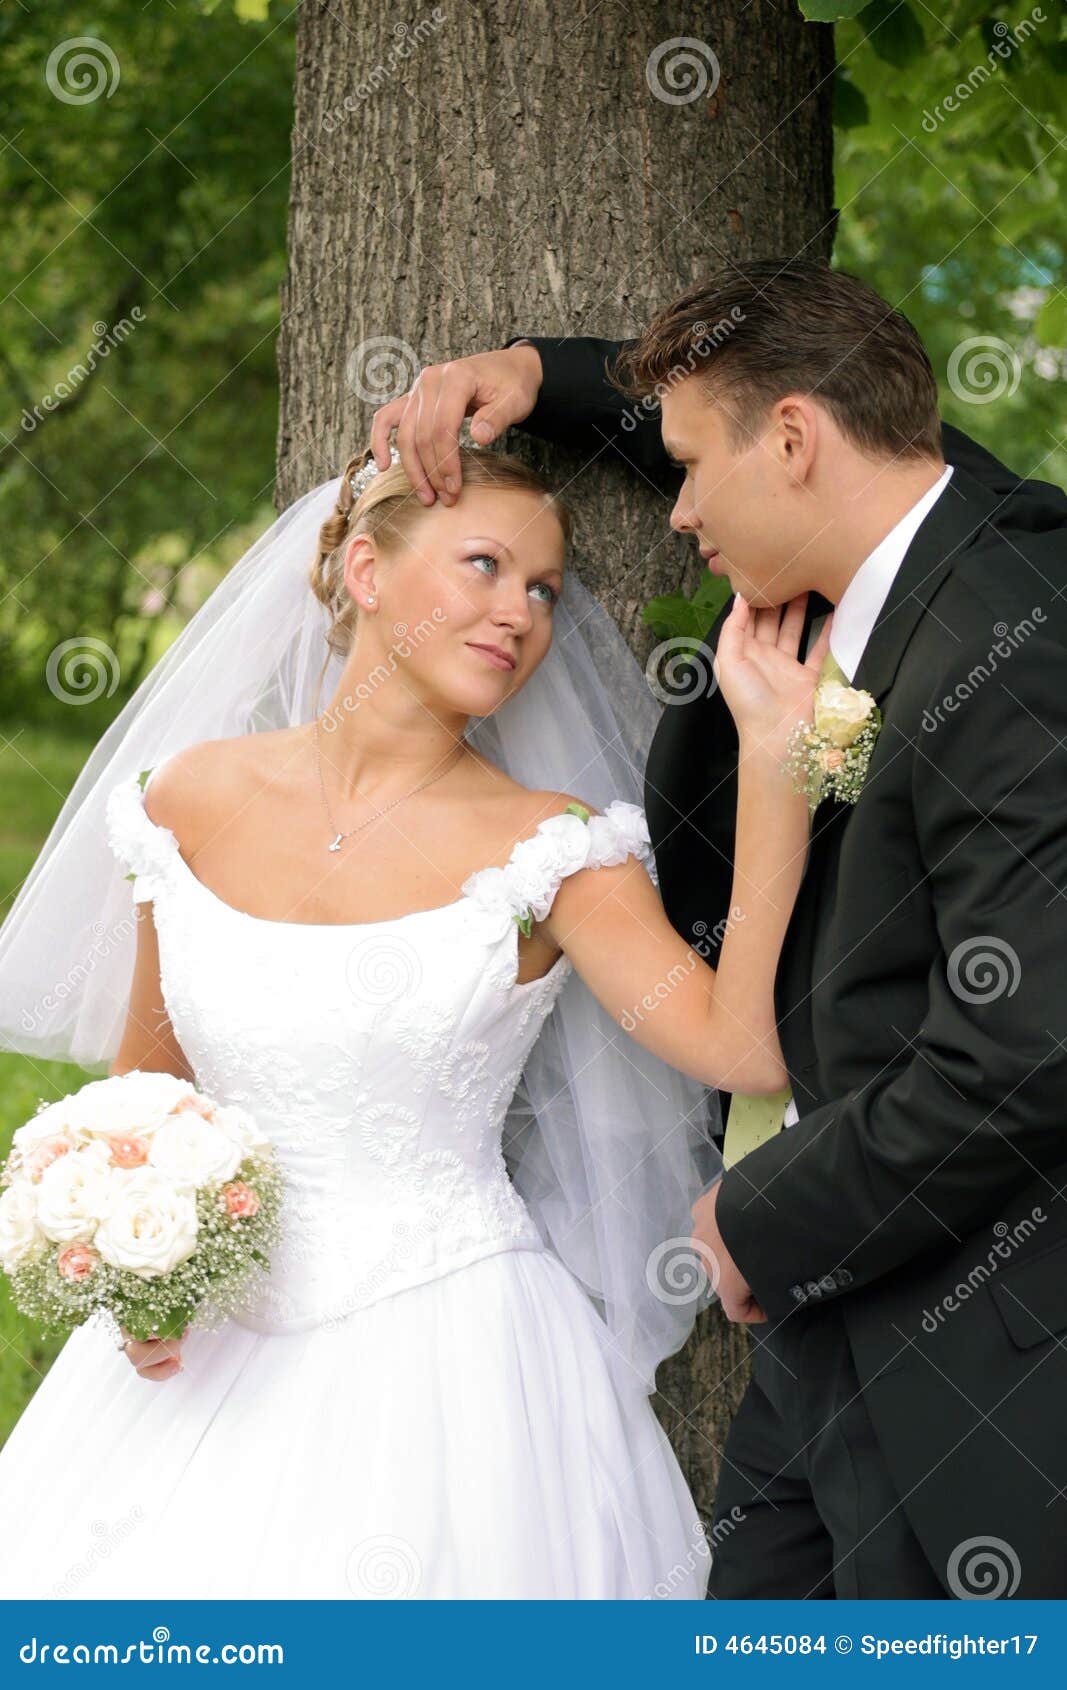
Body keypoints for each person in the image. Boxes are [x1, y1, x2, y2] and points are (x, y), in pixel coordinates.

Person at [0, 439, 826, 1599]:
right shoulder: (189, 799)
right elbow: (145, 1096)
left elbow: (737, 1047)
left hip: (447, 1368)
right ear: (363, 573)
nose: (519, 614)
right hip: (194, 1358)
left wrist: (778, 771)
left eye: (542, 589)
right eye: (485, 566)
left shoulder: (554, 850)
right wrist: (141, 1282)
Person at [374, 259, 1067, 1598]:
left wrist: (762, 1215)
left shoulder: (1011, 634)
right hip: (836, 1317)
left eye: (691, 466)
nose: (677, 507)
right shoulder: (898, 567)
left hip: (975, 1338)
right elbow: (757, 403)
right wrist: (540, 378)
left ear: (794, 441)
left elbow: (1024, 1043)